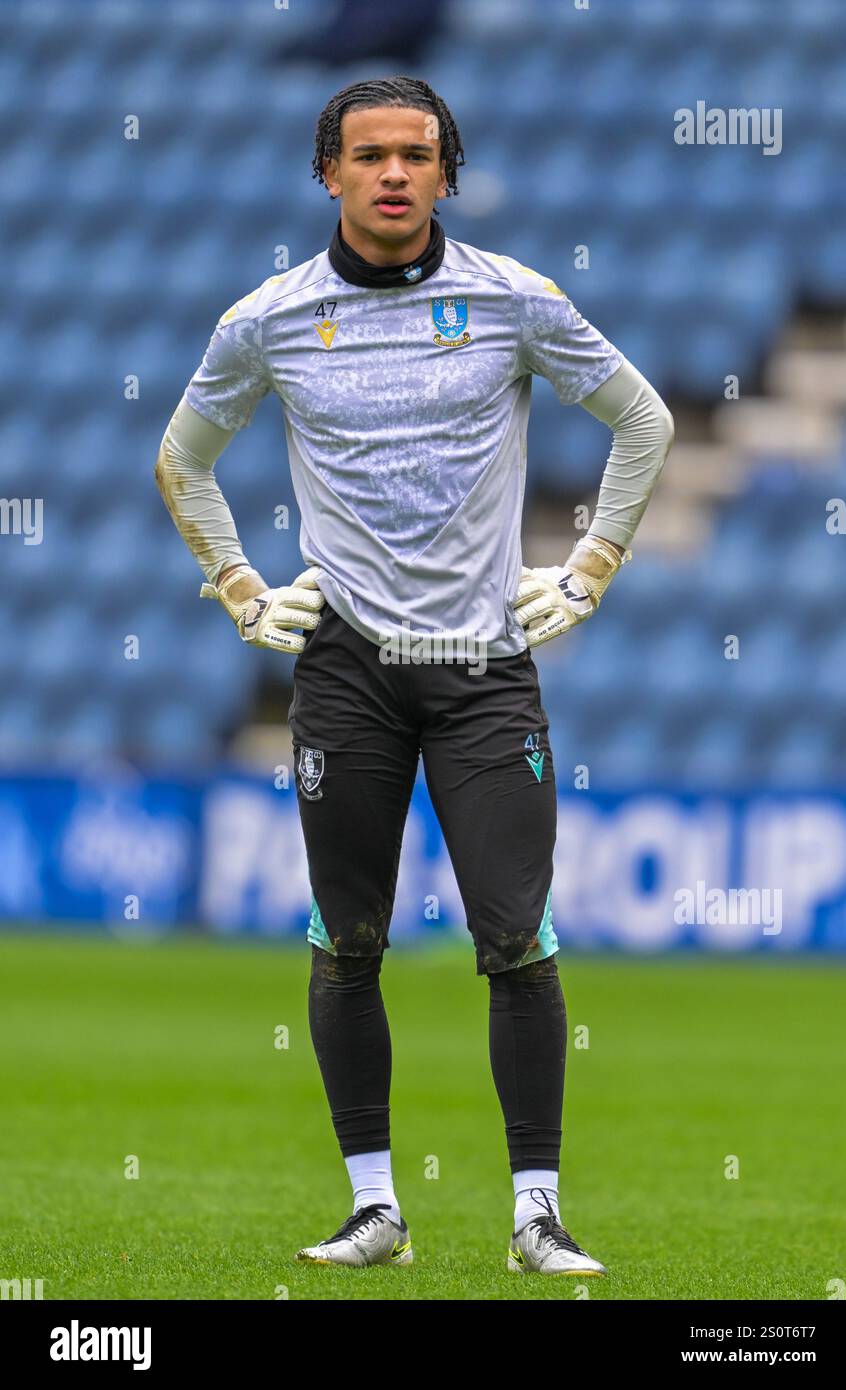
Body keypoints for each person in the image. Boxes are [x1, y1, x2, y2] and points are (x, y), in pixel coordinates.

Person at [155, 76, 674, 1277]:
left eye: (416, 154)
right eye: (369, 154)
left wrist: (591, 563)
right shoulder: (268, 321)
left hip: (486, 668)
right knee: (347, 942)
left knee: (517, 940)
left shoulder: (510, 299)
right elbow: (182, 459)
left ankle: (534, 1214)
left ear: (447, 172)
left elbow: (641, 418)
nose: (393, 173)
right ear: (326, 174)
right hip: (344, 674)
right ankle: (373, 1208)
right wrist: (239, 587)